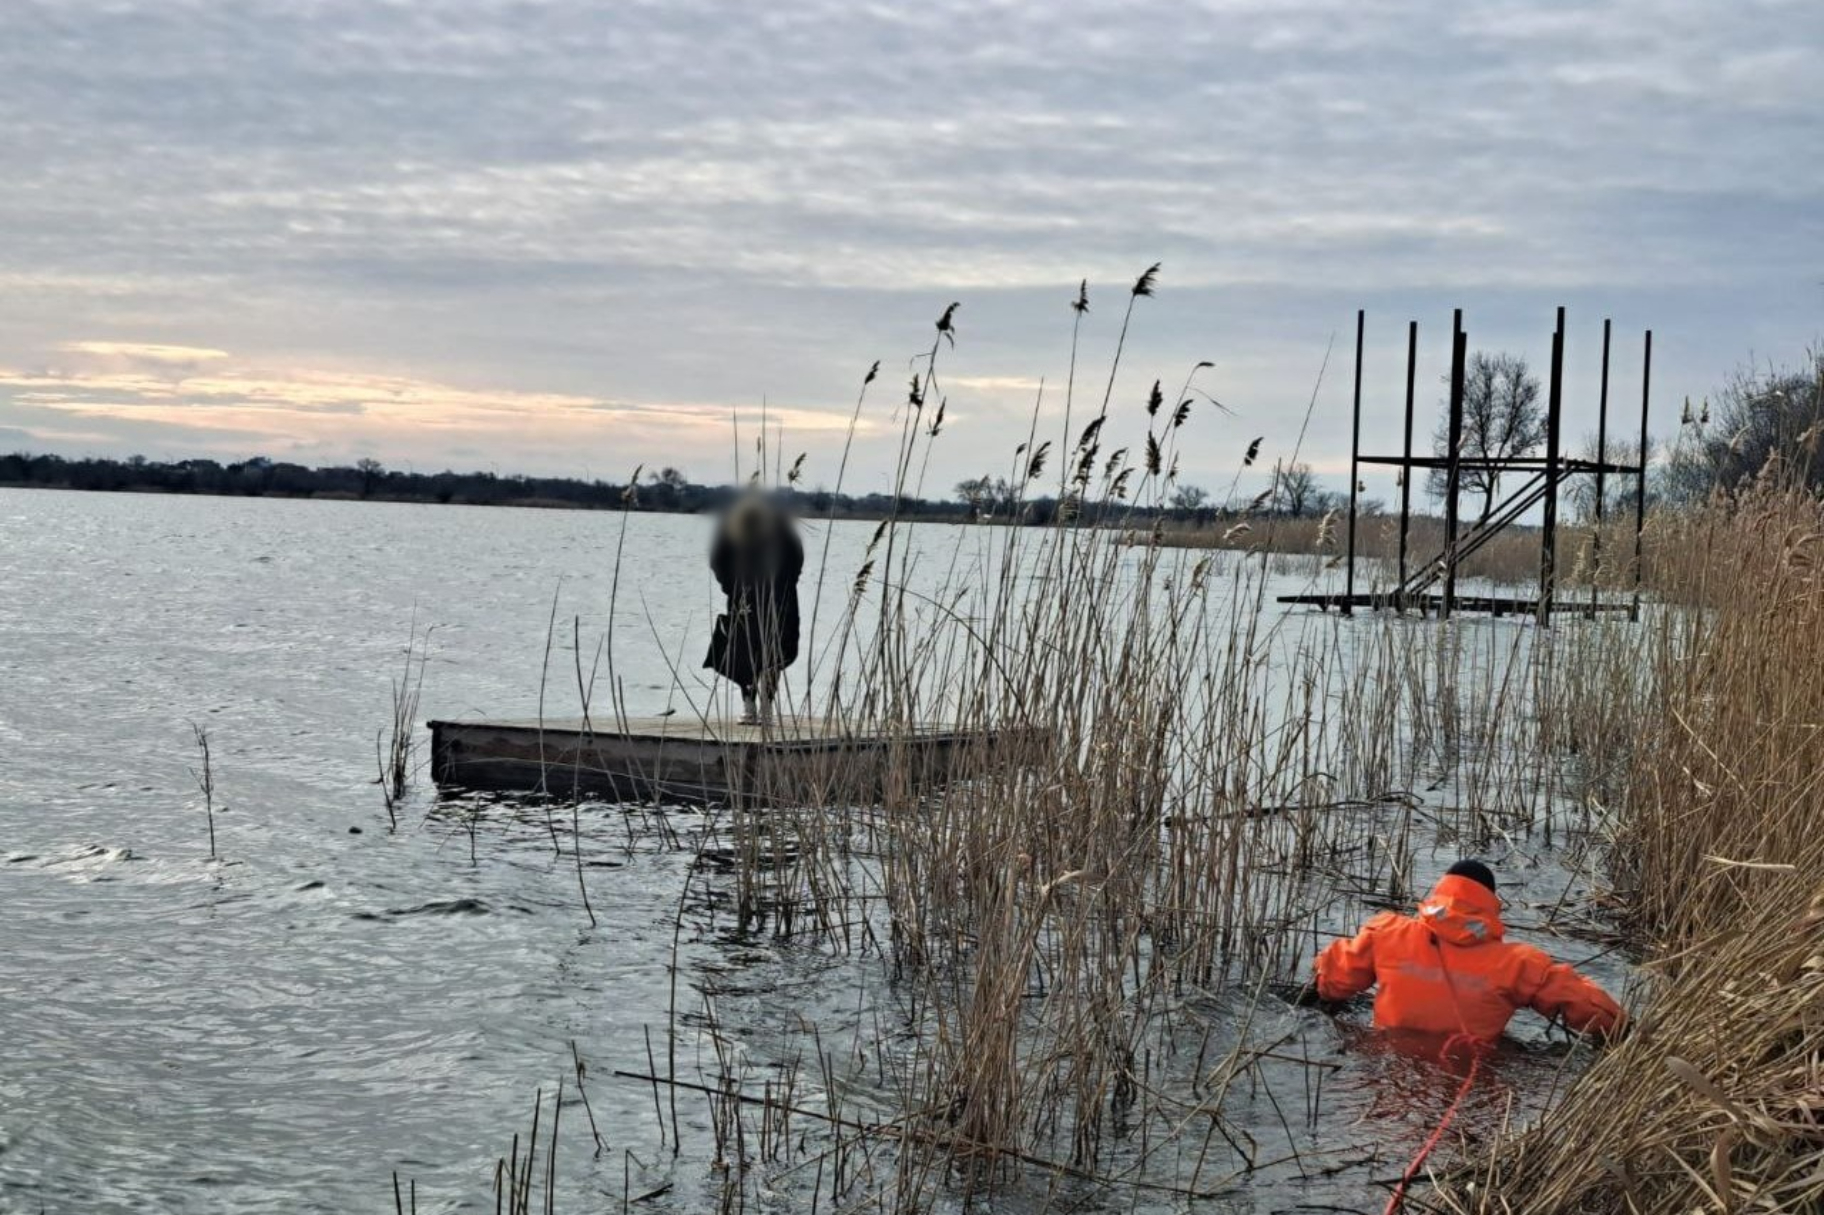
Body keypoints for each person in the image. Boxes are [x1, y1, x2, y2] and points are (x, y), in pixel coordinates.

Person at [1312, 860, 1625, 1043]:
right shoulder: (1518, 964)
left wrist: (1320, 986)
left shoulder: (1387, 932)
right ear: (1489, 904)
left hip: (1389, 1055)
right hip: (1472, 1072)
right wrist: (1624, 1029)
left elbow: (1334, 980)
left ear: (1439, 893)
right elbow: (1587, 1007)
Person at [703, 492, 803, 725]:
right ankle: (755, 706)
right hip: (751, 603)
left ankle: (759, 706)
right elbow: (718, 561)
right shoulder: (732, 529)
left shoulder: (779, 529)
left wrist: (783, 587)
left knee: (765, 654)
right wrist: (732, 587)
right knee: (751, 654)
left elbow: (795, 559)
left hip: (774, 603)